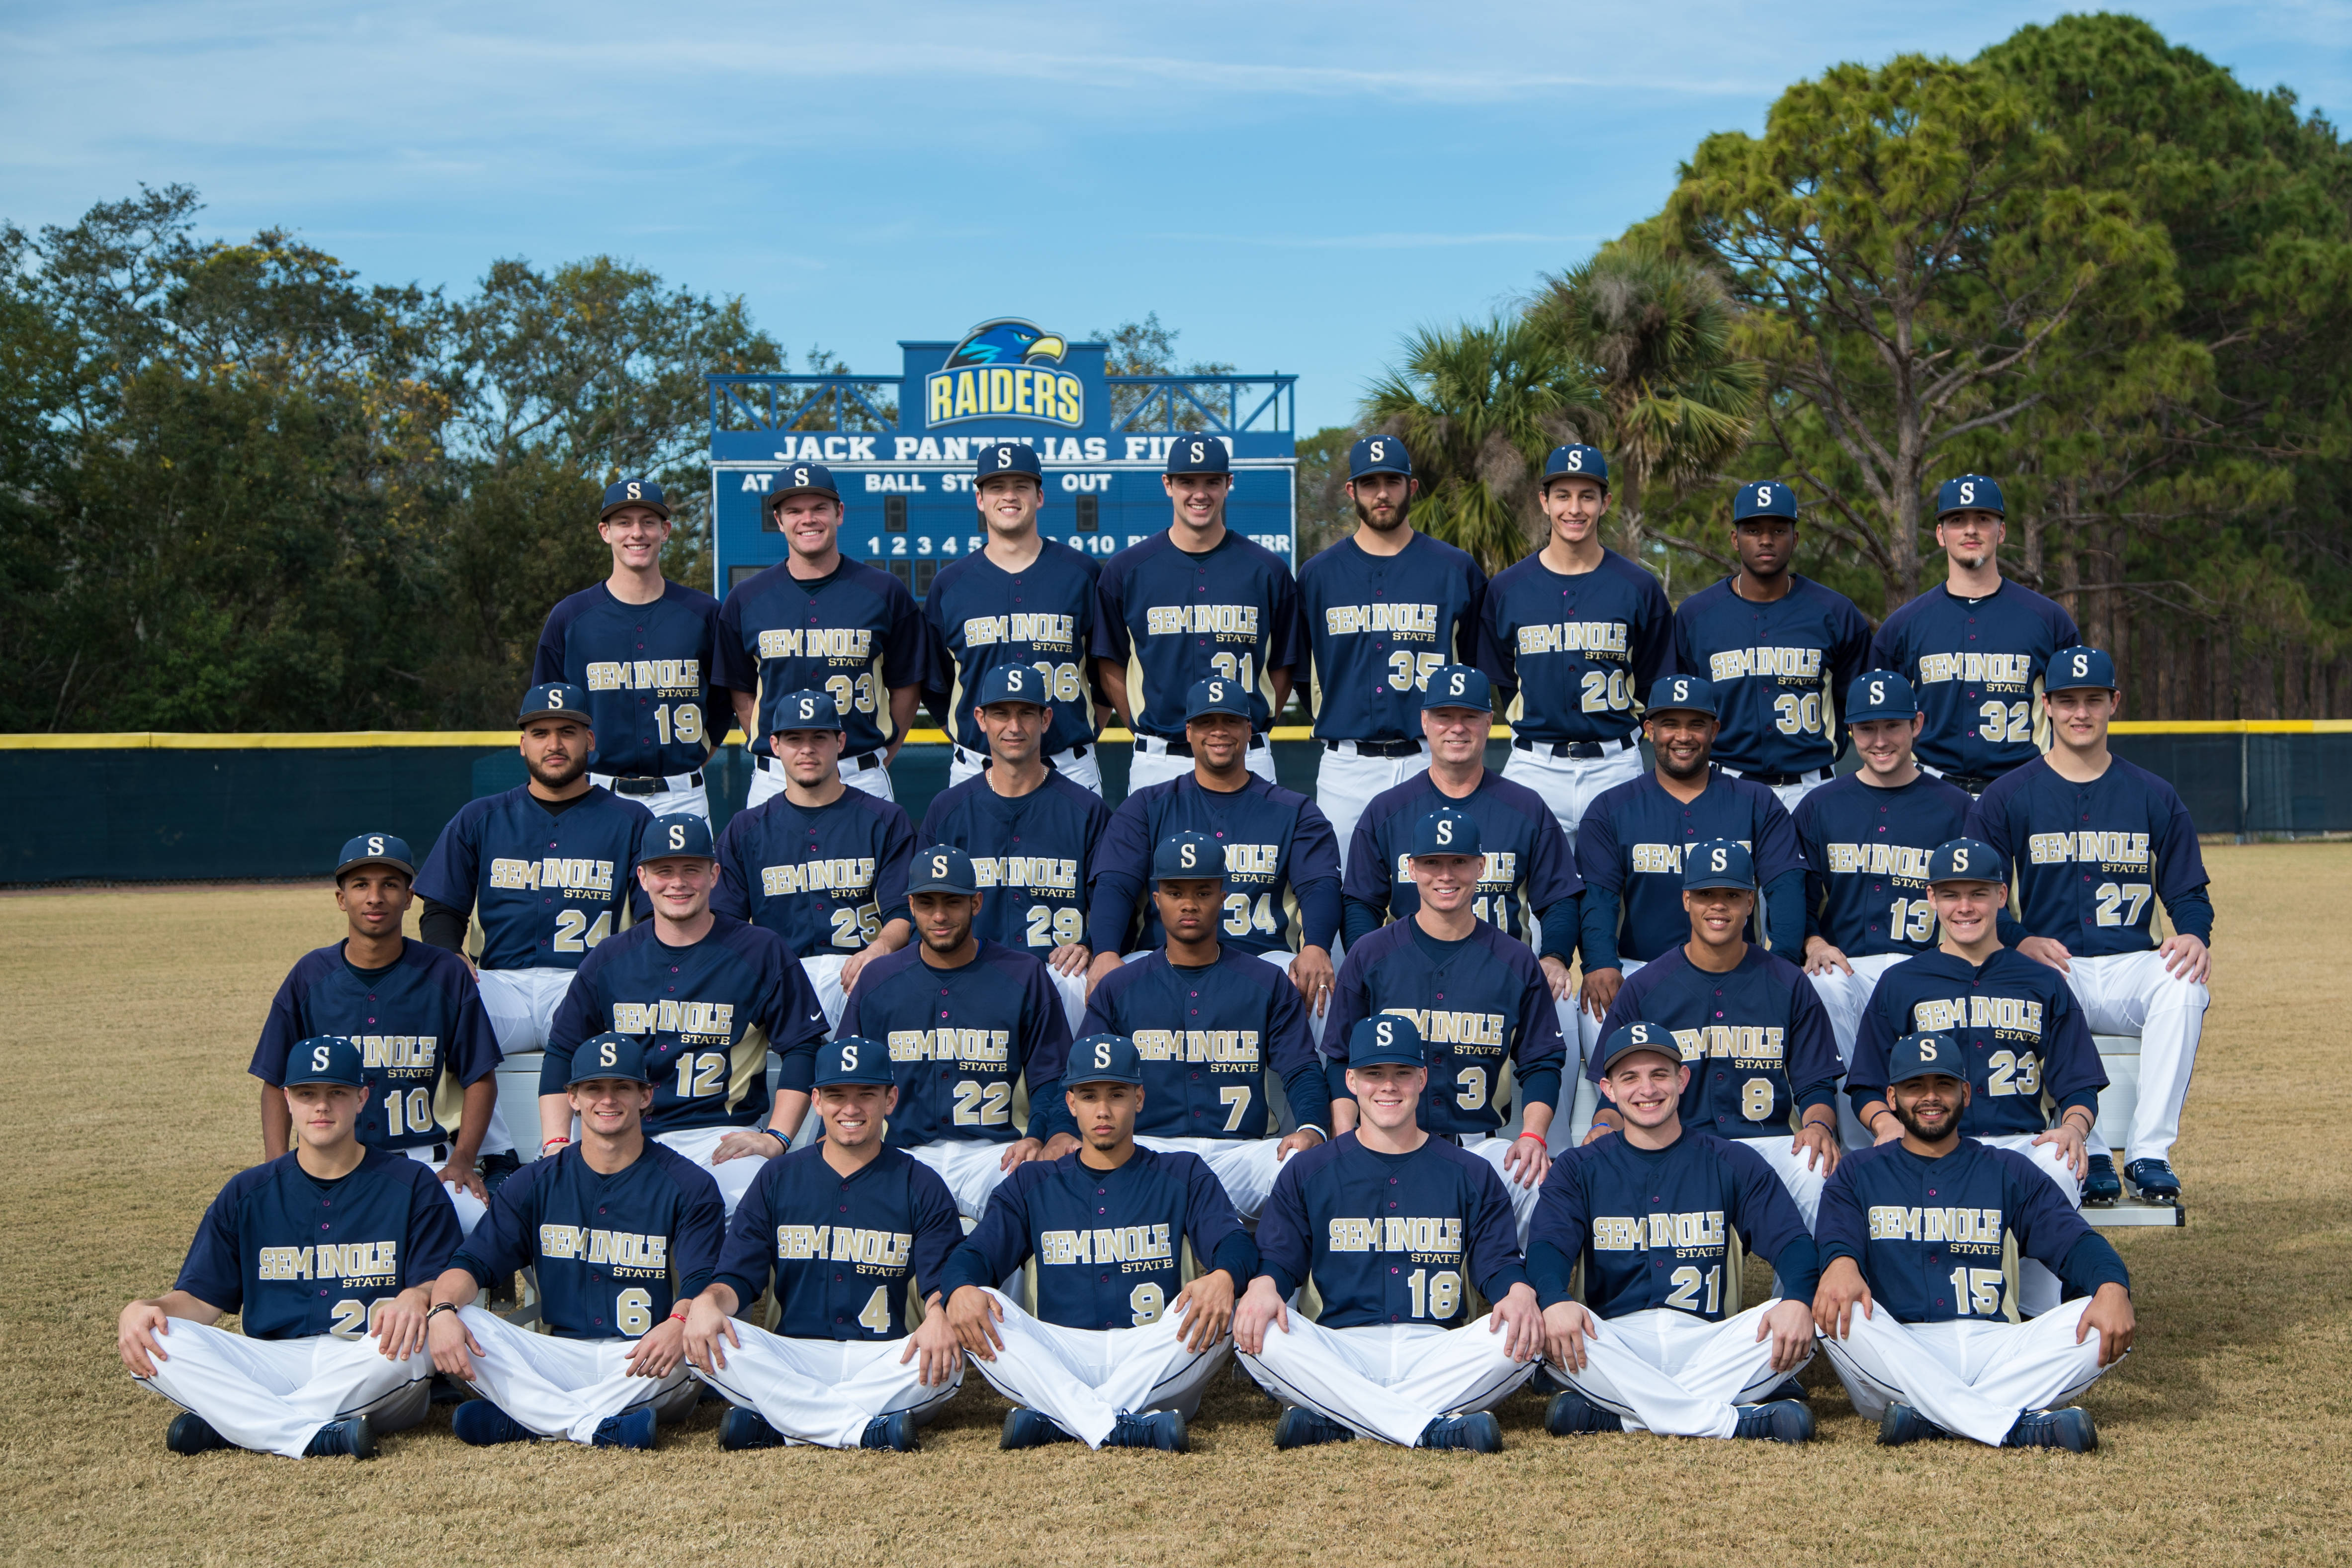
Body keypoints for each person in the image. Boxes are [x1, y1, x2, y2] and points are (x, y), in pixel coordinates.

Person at [118, 1036, 458, 1460]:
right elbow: (199, 1303)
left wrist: (417, 1294)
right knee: (154, 1334)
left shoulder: (411, 1184)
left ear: (362, 1098)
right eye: (307, 1094)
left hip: (370, 1359)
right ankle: (308, 1433)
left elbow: (443, 1285)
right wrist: (144, 1307)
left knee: (417, 1341)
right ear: (288, 1100)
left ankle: (236, 1426)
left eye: (337, 1092)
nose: (321, 1106)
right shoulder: (247, 1193)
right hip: (273, 1363)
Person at [1968, 645, 2212, 1206]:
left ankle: (2150, 1152)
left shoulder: (2153, 794)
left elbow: (2188, 891)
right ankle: (2094, 1150)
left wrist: (2194, 933)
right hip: (2058, 965)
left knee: (2185, 985)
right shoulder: (2009, 795)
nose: (2082, 712)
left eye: (2094, 700)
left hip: (2130, 962)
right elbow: (1980, 897)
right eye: (2069, 700)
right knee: (2037, 984)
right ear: (2047, 706)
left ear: (2114, 703)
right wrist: (2018, 938)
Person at [1233, 1016, 1545, 1452]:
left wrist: (1515, 1290)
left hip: (1438, 1350)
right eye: (1373, 1074)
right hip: (1340, 1349)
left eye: (1401, 1073)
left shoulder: (1471, 1172)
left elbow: (1497, 1263)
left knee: (1525, 1335)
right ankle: (1428, 1428)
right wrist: (1265, 1285)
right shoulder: (1309, 1171)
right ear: (1351, 1081)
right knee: (1254, 1331)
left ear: (1421, 1078)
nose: (1388, 1087)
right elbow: (1280, 1259)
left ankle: (1342, 1420)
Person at [1813, 1031, 2136, 1451]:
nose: (1930, 1098)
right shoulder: (1858, 1172)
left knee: (2103, 1317)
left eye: (1943, 1085)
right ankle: (2012, 1424)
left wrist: (2112, 1285)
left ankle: (1933, 1419)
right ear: (1891, 1098)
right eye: (1915, 1087)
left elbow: (2075, 1243)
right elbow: (1836, 1241)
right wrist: (1840, 1265)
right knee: (1840, 1318)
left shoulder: (2004, 1169)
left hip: (1993, 1346)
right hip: (1899, 1347)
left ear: (1965, 1093)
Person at [938, 1034, 1256, 1452]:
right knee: (971, 1297)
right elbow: (974, 1256)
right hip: (1062, 1353)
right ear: (1071, 1104)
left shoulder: (1181, 1172)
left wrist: (1223, 1276)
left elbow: (1236, 1243)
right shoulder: (1034, 1182)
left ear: (1139, 1098)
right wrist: (960, 1287)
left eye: (1117, 1094)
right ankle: (1117, 1424)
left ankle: (1064, 1419)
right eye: (1089, 1096)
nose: (1103, 1110)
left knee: (1229, 1302)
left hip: (1153, 1353)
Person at [1845, 838, 2106, 1314]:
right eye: (1950, 894)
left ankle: (2036, 1312)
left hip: (2018, 1143)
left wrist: (2073, 1127)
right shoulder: (1902, 981)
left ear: (2001, 897)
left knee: (2058, 1163)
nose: (1964, 907)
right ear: (1931, 898)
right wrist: (1885, 1125)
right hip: (1930, 1145)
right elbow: (1865, 1082)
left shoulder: (2041, 980)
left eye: (1978, 893)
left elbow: (2078, 1080)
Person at [430, 1035, 725, 1449]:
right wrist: (441, 1311)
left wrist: (678, 1324)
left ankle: (531, 1419)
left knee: (703, 1335)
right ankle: (596, 1426)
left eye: (622, 1087)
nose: (608, 1100)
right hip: (560, 1357)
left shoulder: (689, 1184)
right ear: (572, 1097)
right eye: (593, 1088)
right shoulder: (534, 1182)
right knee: (459, 1317)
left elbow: (701, 1281)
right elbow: (472, 1263)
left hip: (649, 1356)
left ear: (645, 1095)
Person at [1529, 1022, 1819, 1443]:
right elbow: (1546, 1249)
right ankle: (1737, 1421)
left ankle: (1615, 1415)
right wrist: (1554, 1301)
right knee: (1545, 1323)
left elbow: (1793, 1242)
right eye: (1630, 1078)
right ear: (1608, 1090)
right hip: (1614, 1341)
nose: (1647, 1089)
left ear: (1681, 1079)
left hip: (1708, 1341)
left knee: (1806, 1319)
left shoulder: (1731, 1160)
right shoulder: (1578, 1167)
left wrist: (1795, 1299)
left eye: (1659, 1074)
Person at [681, 1036, 966, 1452]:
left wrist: (939, 1313)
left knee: (949, 1360)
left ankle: (782, 1424)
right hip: (793, 1356)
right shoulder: (777, 1177)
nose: (850, 1109)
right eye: (836, 1095)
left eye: (865, 1095)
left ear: (890, 1099)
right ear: (816, 1100)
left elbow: (942, 1280)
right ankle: (864, 1430)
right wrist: (707, 1301)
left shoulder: (919, 1182)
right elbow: (737, 1278)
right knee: (706, 1333)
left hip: (885, 1359)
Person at [542, 815, 828, 1215]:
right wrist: (556, 1142)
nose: (677, 883)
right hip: (627, 1133)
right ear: (642, 878)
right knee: (555, 1208)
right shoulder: (610, 958)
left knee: (755, 1212)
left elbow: (803, 1046)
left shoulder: (760, 950)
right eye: (664, 871)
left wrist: (778, 1136)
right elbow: (563, 1050)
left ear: (714, 874)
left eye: (691, 870)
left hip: (721, 1137)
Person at [1038, 831, 1327, 1220]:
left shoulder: (1266, 981)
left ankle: (1270, 1281)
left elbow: (1301, 1069)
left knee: (1304, 1165)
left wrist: (1312, 1127)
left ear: (1223, 897)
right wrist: (1060, 1131)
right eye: (1175, 892)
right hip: (1145, 1151)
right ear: (1157, 901)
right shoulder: (1121, 987)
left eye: (1203, 892)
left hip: (1239, 1154)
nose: (1189, 904)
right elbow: (1080, 1074)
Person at [1324, 808, 1566, 1241]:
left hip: (1477, 1144)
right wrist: (1346, 1138)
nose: (1446, 875)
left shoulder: (1514, 959)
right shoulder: (1370, 954)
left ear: (1480, 867)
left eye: (1458, 862)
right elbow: (1340, 1056)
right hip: (1383, 1142)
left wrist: (1533, 1136)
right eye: (1432, 863)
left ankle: (1529, 1296)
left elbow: (1542, 1061)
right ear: (1411, 869)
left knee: (1543, 1186)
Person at [253, 833, 504, 1233]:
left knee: (491, 1238)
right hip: (330, 1163)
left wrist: (463, 1160)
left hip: (428, 1163)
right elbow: (274, 1079)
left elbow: (480, 1077)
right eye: (360, 885)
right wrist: (276, 1166)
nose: (375, 897)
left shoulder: (444, 973)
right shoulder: (310, 976)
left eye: (389, 884)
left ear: (408, 897)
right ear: (341, 899)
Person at [1587, 841, 1842, 1231]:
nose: (1719, 906)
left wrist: (1819, 1126)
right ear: (1687, 899)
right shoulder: (1645, 986)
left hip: (1767, 1142)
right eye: (1707, 894)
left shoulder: (1787, 981)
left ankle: (1801, 1292)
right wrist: (1603, 1126)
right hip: (1676, 1146)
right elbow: (1615, 1089)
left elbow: (1815, 1085)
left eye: (1732, 895)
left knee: (1816, 1167)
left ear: (1751, 903)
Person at [1341, 665, 1584, 1048]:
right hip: (1410, 973)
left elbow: (1558, 898)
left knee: (1565, 1016)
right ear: (1424, 721)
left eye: (1469, 716)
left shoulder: (1525, 807)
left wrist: (1554, 956)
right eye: (1444, 716)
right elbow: (1361, 902)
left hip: (1501, 972)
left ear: (1489, 722)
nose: (1457, 728)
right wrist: (1376, 965)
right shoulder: (1388, 810)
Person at [1573, 674, 1807, 1067]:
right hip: (1640, 967)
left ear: (1714, 730)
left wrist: (1780, 964)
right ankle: (1608, 1125)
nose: (1682, 736)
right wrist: (1599, 962)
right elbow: (1598, 897)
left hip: (1738, 967)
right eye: (1669, 724)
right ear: (1648, 730)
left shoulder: (1755, 801)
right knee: (1594, 1009)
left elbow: (1785, 886)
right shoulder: (1611, 807)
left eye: (1696, 724)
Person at [414, 683, 653, 1060]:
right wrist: (446, 954)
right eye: (540, 733)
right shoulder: (479, 818)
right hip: (498, 983)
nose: (554, 745)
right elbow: (442, 908)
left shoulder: (631, 820)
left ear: (589, 741)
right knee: (430, 1020)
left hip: (586, 980)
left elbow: (652, 916)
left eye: (567, 732)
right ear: (523, 744)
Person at [1083, 678, 1341, 1022]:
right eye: (1206, 722)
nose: (1219, 732)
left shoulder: (1294, 810)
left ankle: (1325, 1079)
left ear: (1249, 730)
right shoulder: (1147, 805)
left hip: (1264, 957)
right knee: (1104, 978)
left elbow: (1320, 885)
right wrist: (1105, 952)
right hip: (1163, 959)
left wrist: (1316, 947)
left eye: (1230, 721)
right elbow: (1115, 883)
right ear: (1188, 731)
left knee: (1319, 987)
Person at [836, 846, 1071, 1219]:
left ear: (976, 903)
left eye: (953, 902)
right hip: (901, 1155)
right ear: (910, 906)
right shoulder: (879, 980)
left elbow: (1053, 1077)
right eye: (927, 903)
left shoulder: (1023, 974)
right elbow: (844, 1077)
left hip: (996, 1153)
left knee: (1043, 1201)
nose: (940, 915)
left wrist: (1040, 1135)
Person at [1790, 671, 1975, 1145]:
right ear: (1850, 732)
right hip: (1850, 964)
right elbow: (1800, 898)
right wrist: (1812, 940)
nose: (1880, 740)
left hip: (1926, 964)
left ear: (1916, 723)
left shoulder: (1955, 806)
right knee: (1823, 987)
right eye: (1866, 728)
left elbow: (1975, 901)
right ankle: (1858, 1145)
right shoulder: (1820, 804)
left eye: (1892, 726)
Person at [1294, 436, 1487, 866]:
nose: (1381, 493)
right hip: (1347, 764)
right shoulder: (1318, 575)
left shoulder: (1455, 569)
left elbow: (1475, 669)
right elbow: (1303, 676)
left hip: (1428, 759)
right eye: (1369, 483)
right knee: (1341, 892)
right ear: (1352, 491)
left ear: (1411, 487)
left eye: (1392, 481)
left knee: (1439, 888)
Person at [1476, 443, 1672, 848]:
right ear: (1544, 502)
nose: (1575, 509)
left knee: (1624, 903)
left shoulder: (1638, 587)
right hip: (1534, 765)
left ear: (1605, 503)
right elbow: (1503, 681)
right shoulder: (1506, 589)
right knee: (1533, 907)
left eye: (1587, 496)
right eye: (1563, 496)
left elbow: (1655, 683)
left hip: (1616, 764)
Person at [1092, 436, 1302, 790]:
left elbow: (1283, 665)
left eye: (1212, 482)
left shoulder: (1267, 569)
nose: (1199, 494)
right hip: (1158, 760)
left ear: (1228, 484)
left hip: (1247, 757)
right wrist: (1143, 728)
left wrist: (1254, 725)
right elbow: (1110, 662)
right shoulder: (1127, 570)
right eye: (1187, 482)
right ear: (1168, 484)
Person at [714, 461, 931, 805]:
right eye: (794, 510)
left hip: (860, 773)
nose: (808, 519)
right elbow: (741, 692)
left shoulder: (884, 591)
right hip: (776, 778)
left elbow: (906, 685)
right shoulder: (746, 597)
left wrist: (882, 756)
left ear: (839, 513)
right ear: (779, 520)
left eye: (819, 508)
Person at [917, 663, 1112, 1031]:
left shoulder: (1086, 810)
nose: (1014, 727)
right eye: (1001, 714)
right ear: (980, 718)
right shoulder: (948, 810)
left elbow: (1112, 896)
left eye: (1026, 713)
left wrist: (1090, 944)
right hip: (971, 972)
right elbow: (921, 905)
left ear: (1046, 719)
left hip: (1060, 975)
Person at [711, 687, 916, 1031]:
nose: (807, 749)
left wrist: (880, 950)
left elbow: (904, 912)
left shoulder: (885, 819)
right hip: (780, 976)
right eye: (794, 738)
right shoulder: (745, 828)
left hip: (859, 973)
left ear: (839, 742)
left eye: (819, 737)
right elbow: (726, 922)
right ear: (775, 746)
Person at [1868, 475, 2081, 794]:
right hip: (1929, 790)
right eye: (1957, 520)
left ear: (2002, 531)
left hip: (2021, 789)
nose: (1970, 530)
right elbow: (1877, 724)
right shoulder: (1903, 626)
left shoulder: (2049, 620)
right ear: (1941, 534)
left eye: (1983, 519)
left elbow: (2076, 713)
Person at [1669, 480, 1872, 811]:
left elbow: (1860, 708)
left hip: (1812, 787)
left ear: (1795, 539)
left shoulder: (1835, 613)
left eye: (1778, 530)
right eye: (1752, 530)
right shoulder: (1696, 616)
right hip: (1724, 784)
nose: (1765, 540)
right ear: (1735, 539)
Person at [532, 478, 723, 820]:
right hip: (594, 794)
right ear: (605, 532)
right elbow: (545, 714)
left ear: (665, 531)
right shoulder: (570, 617)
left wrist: (696, 754)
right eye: (624, 522)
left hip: (682, 795)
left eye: (648, 522)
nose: (637, 533)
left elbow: (724, 704)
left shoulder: (704, 613)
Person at [924, 441, 1106, 793]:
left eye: (1021, 486)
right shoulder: (950, 584)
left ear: (1039, 496)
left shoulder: (1081, 573)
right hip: (976, 769)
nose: (1009, 497)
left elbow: (1106, 670)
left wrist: (1079, 731)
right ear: (980, 499)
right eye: (996, 488)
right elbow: (937, 685)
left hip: (1069, 767)